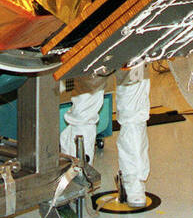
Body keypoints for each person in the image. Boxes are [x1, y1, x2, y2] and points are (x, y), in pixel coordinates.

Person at [61, 66, 150, 208]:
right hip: (91, 48)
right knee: (83, 111)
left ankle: (133, 180)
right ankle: (78, 178)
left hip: (132, 53)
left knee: (134, 113)